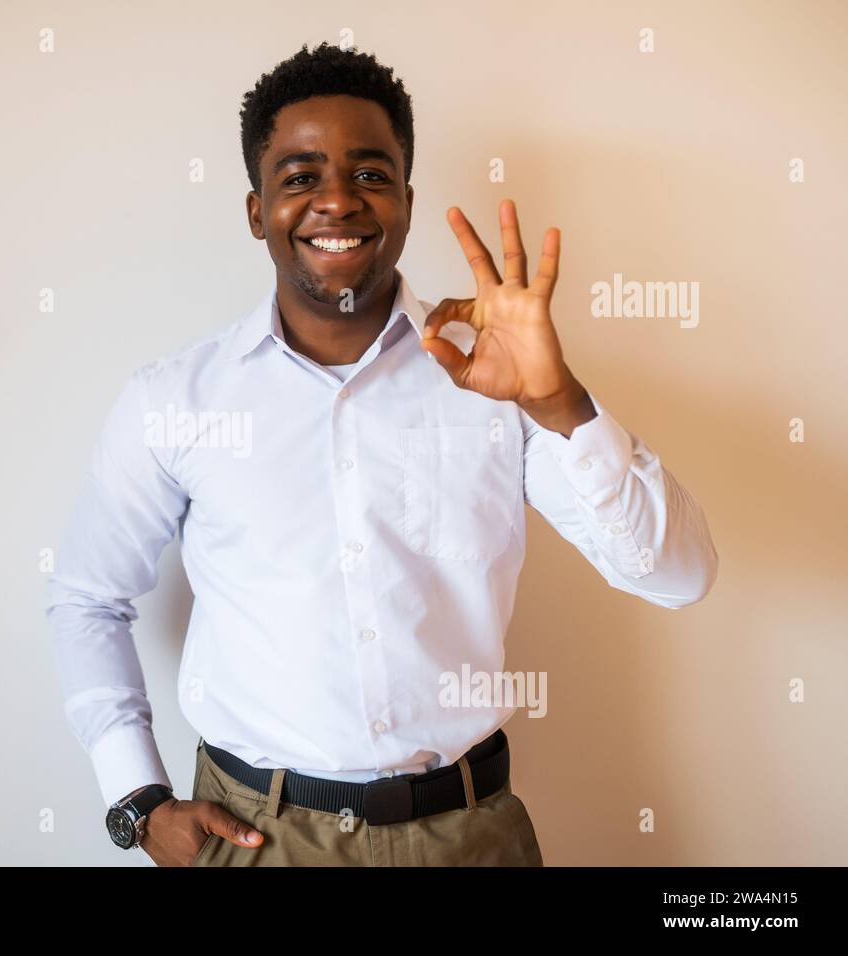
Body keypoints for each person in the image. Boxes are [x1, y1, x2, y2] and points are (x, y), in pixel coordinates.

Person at [45, 42, 718, 866]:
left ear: (404, 196)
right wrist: (137, 801)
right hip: (257, 839)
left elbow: (680, 577)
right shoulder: (175, 400)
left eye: (368, 174)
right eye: (299, 177)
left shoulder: (496, 380)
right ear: (256, 210)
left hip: (469, 836)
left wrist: (557, 401)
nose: (336, 201)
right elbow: (85, 597)